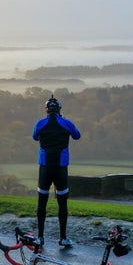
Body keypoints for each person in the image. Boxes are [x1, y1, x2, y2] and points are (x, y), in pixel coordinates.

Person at [31, 95, 81, 249]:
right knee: (62, 203)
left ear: (46, 110)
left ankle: (40, 238)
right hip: (61, 167)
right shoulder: (66, 123)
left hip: (45, 167)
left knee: (42, 202)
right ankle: (63, 238)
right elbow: (77, 136)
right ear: (59, 109)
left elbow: (34, 137)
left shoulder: (40, 123)